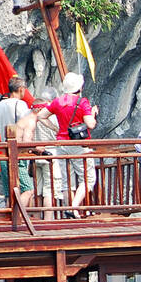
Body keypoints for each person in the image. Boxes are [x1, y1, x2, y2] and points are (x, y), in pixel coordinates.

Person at [34, 73, 97, 217]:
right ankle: (73, 207)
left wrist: (56, 129)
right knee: (88, 179)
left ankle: (70, 211)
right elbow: (90, 124)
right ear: (79, 88)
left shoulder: (57, 101)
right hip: (79, 144)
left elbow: (40, 116)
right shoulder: (82, 102)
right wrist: (93, 113)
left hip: (61, 144)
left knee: (67, 180)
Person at [0, 76, 37, 211]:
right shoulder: (20, 105)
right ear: (21, 89)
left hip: (4, 151)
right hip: (17, 152)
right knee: (27, 189)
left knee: (9, 193)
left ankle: (9, 218)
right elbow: (25, 126)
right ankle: (16, 216)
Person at [29, 86, 60, 217]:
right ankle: (48, 220)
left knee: (37, 190)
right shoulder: (52, 116)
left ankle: (36, 219)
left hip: (35, 156)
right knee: (49, 190)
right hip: (50, 154)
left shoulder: (31, 116)